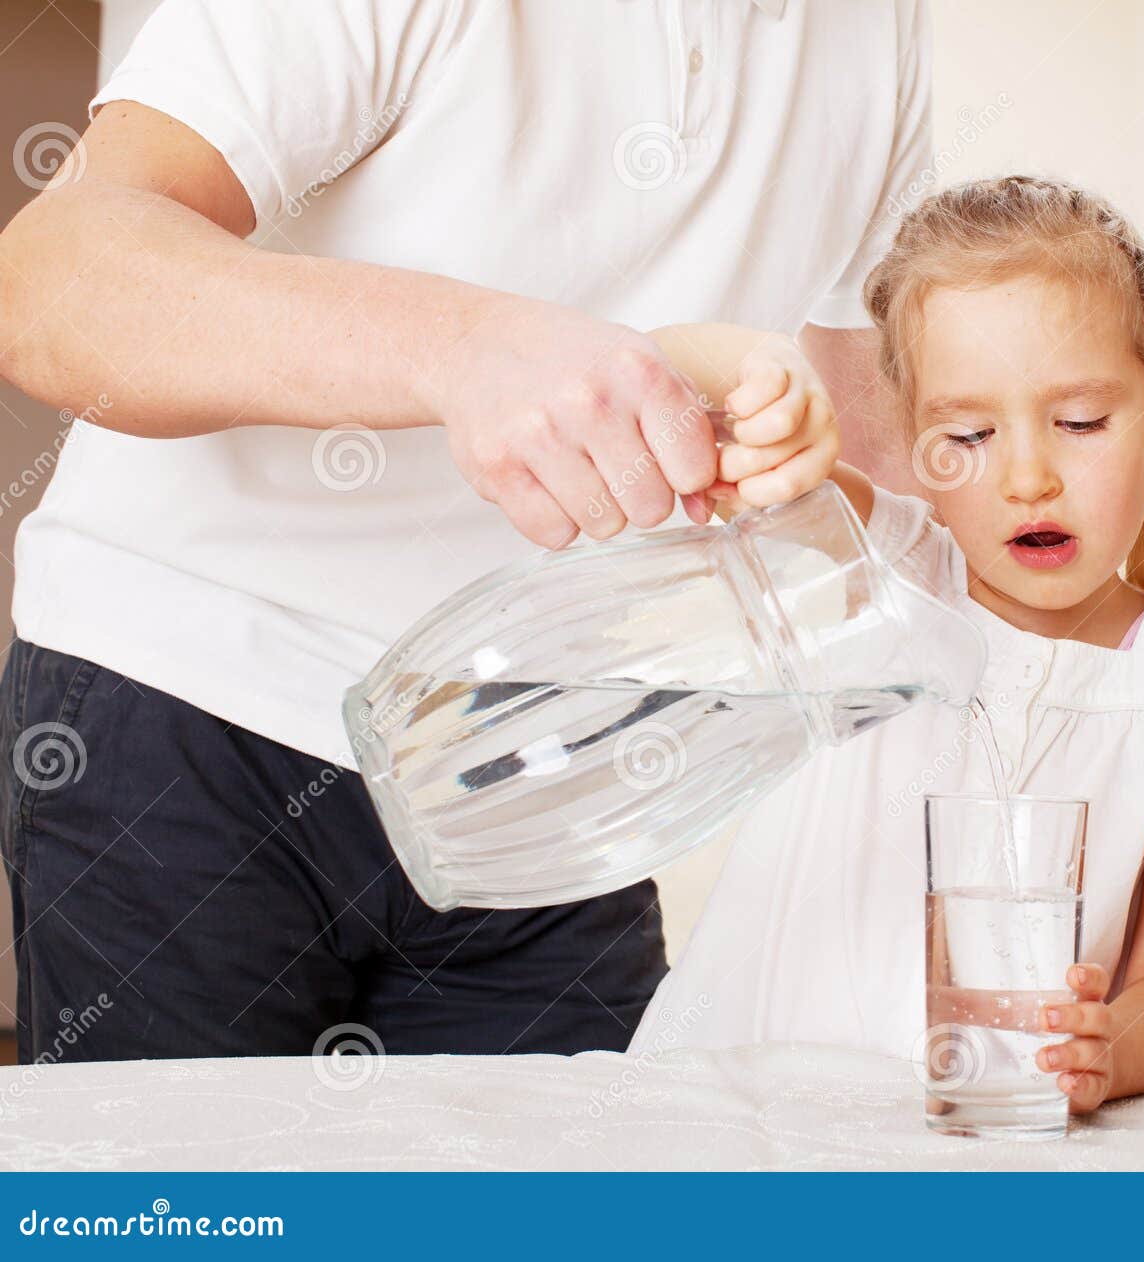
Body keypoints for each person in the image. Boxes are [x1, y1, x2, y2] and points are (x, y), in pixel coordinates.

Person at [0, 0, 928, 1062]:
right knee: (192, 1175)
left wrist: (777, 448)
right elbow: (49, 286)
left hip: (548, 759)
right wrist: (464, 349)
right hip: (188, 704)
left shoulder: (879, 30)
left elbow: (887, 478)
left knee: (571, 1166)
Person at [636, 176, 1144, 1113]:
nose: (1029, 477)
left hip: (981, 1138)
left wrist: (1107, 1049)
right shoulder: (875, 567)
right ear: (914, 440)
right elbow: (649, 377)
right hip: (730, 1115)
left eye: (1080, 423)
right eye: (968, 434)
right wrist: (762, 375)